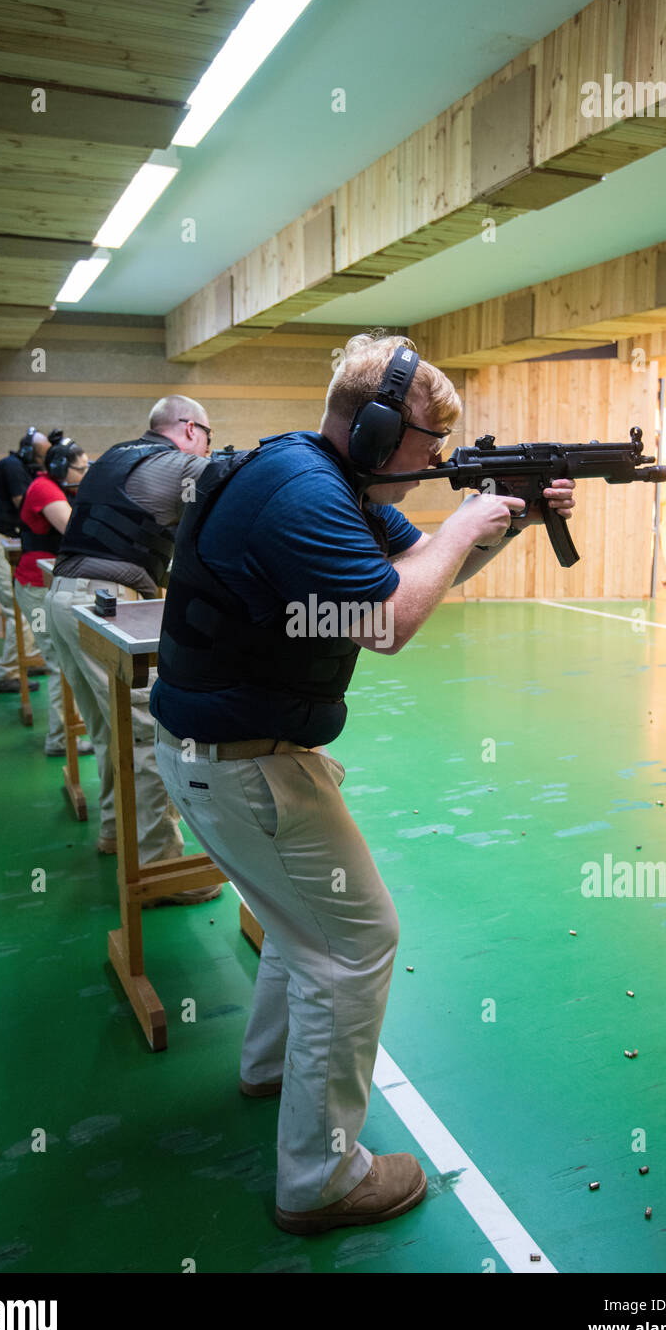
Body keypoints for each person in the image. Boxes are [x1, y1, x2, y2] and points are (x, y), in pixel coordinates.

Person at [150, 333, 577, 1235]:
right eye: (424, 447)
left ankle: (269, 1068)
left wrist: (512, 520)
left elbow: (425, 566)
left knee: (307, 930)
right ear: (377, 427)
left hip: (225, 755)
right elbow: (384, 619)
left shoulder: (326, 478)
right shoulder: (304, 493)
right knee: (354, 942)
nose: (433, 464)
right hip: (242, 764)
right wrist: (463, 524)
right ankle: (320, 1180)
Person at [45, 394, 220, 904]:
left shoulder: (117, 456)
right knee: (147, 736)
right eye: (207, 437)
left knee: (110, 730)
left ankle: (113, 832)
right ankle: (159, 869)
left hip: (67, 601)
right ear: (189, 429)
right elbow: (232, 496)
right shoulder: (178, 465)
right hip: (107, 605)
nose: (206, 448)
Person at [13, 437, 94, 757]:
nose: (85, 474)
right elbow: (73, 529)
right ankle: (60, 739)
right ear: (62, 468)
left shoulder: (51, 485)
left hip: (42, 585)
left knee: (61, 663)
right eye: (81, 469)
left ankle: (63, 735)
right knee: (58, 664)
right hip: (37, 588)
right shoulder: (46, 489)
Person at [0, 428, 49, 692]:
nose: (44, 462)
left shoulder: (21, 467)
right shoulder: (12, 466)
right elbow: (24, 504)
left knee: (27, 609)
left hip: (1, 542)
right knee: (19, 610)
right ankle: (6, 673)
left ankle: (28, 658)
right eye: (42, 456)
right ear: (29, 452)